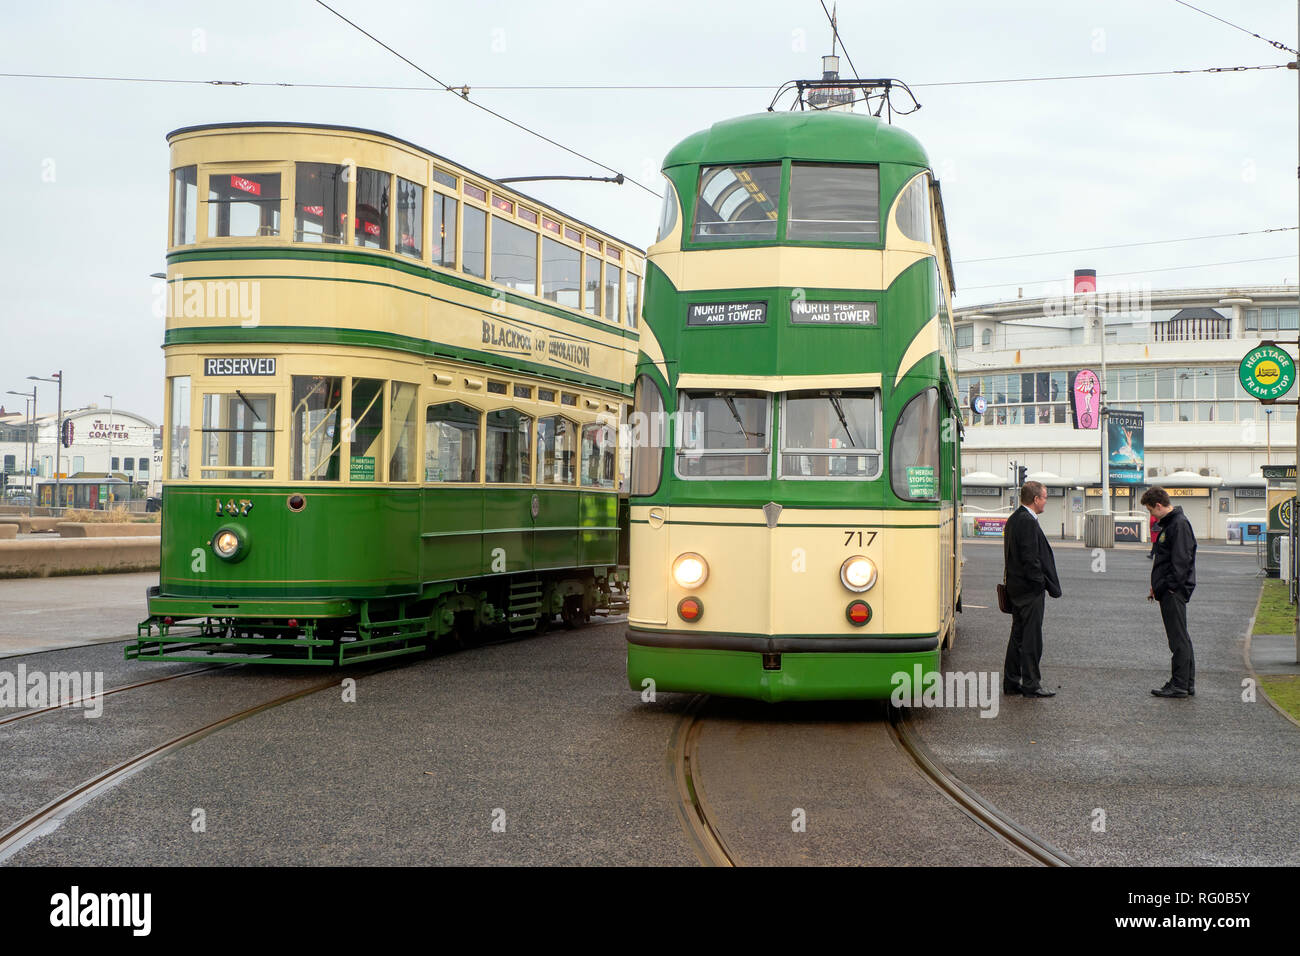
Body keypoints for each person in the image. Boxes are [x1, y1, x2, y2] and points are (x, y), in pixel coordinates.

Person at [1002, 480, 1062, 697]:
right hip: (1029, 591)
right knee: (1031, 639)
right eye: (1045, 497)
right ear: (1036, 499)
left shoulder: (1015, 518)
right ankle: (1031, 684)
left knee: (1017, 636)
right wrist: (1040, 583)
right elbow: (1030, 558)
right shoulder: (1027, 521)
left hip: (1016, 589)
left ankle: (1011, 682)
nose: (1046, 501)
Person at [1142, 486, 1197, 698]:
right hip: (1170, 589)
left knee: (1177, 639)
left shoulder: (1178, 525)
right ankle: (1186, 683)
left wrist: (1169, 587)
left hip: (1173, 591)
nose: (1151, 515)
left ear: (1158, 505)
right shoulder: (1173, 523)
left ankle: (1180, 684)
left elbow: (1181, 561)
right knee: (1182, 636)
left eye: (1150, 510)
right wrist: (1156, 585)